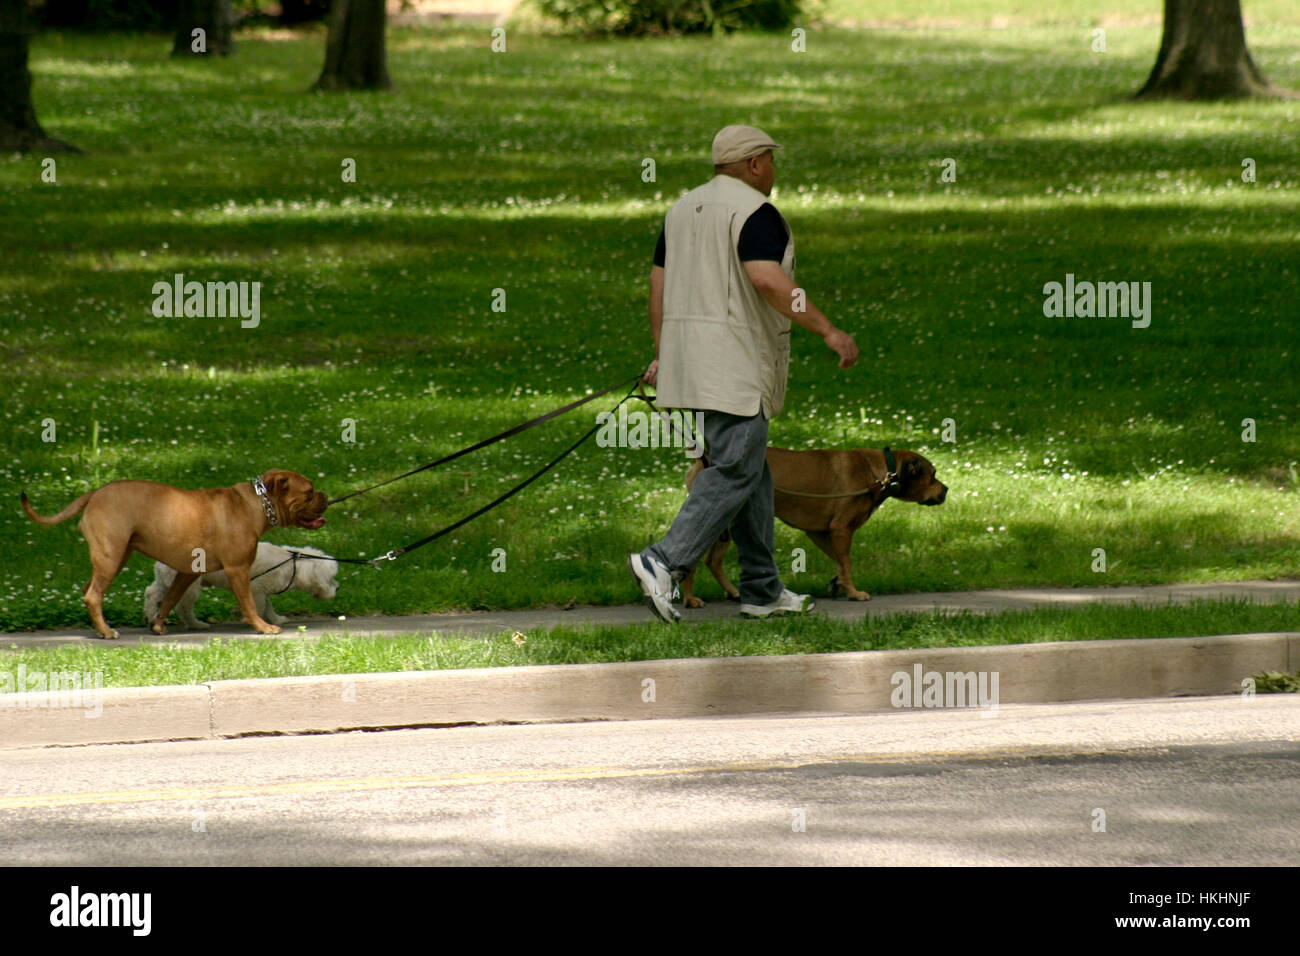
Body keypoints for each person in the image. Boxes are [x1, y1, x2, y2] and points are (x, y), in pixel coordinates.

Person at [628, 125, 859, 623]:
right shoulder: (756, 213)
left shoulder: (682, 209)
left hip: (694, 361)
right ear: (754, 163)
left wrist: (666, 353)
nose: (774, 171)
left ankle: (760, 588)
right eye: (771, 161)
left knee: (753, 470)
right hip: (733, 365)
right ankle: (662, 560)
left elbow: (658, 286)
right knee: (734, 469)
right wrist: (828, 330)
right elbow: (768, 279)